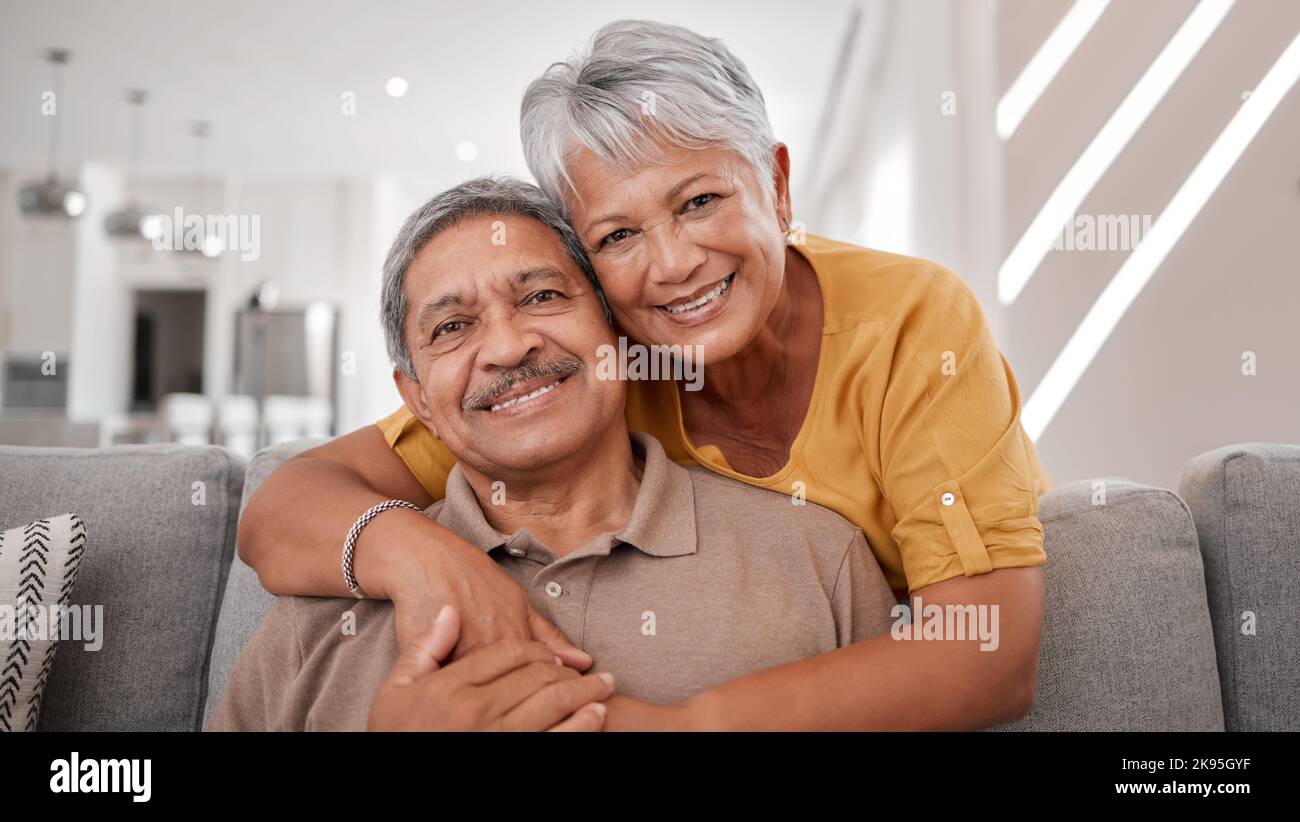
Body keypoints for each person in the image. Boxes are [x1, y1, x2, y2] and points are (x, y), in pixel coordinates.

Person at [237, 20, 1049, 730]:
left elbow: (988, 652)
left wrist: (680, 727)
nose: (673, 266)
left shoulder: (910, 322)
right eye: (618, 236)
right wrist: (424, 558)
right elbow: (283, 505)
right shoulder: (586, 361)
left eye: (699, 201)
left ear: (777, 184)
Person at [208, 177, 898, 731]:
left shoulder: (818, 562)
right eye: (453, 326)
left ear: (619, 330)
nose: (509, 347)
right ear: (415, 398)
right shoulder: (325, 607)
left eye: (541, 295)